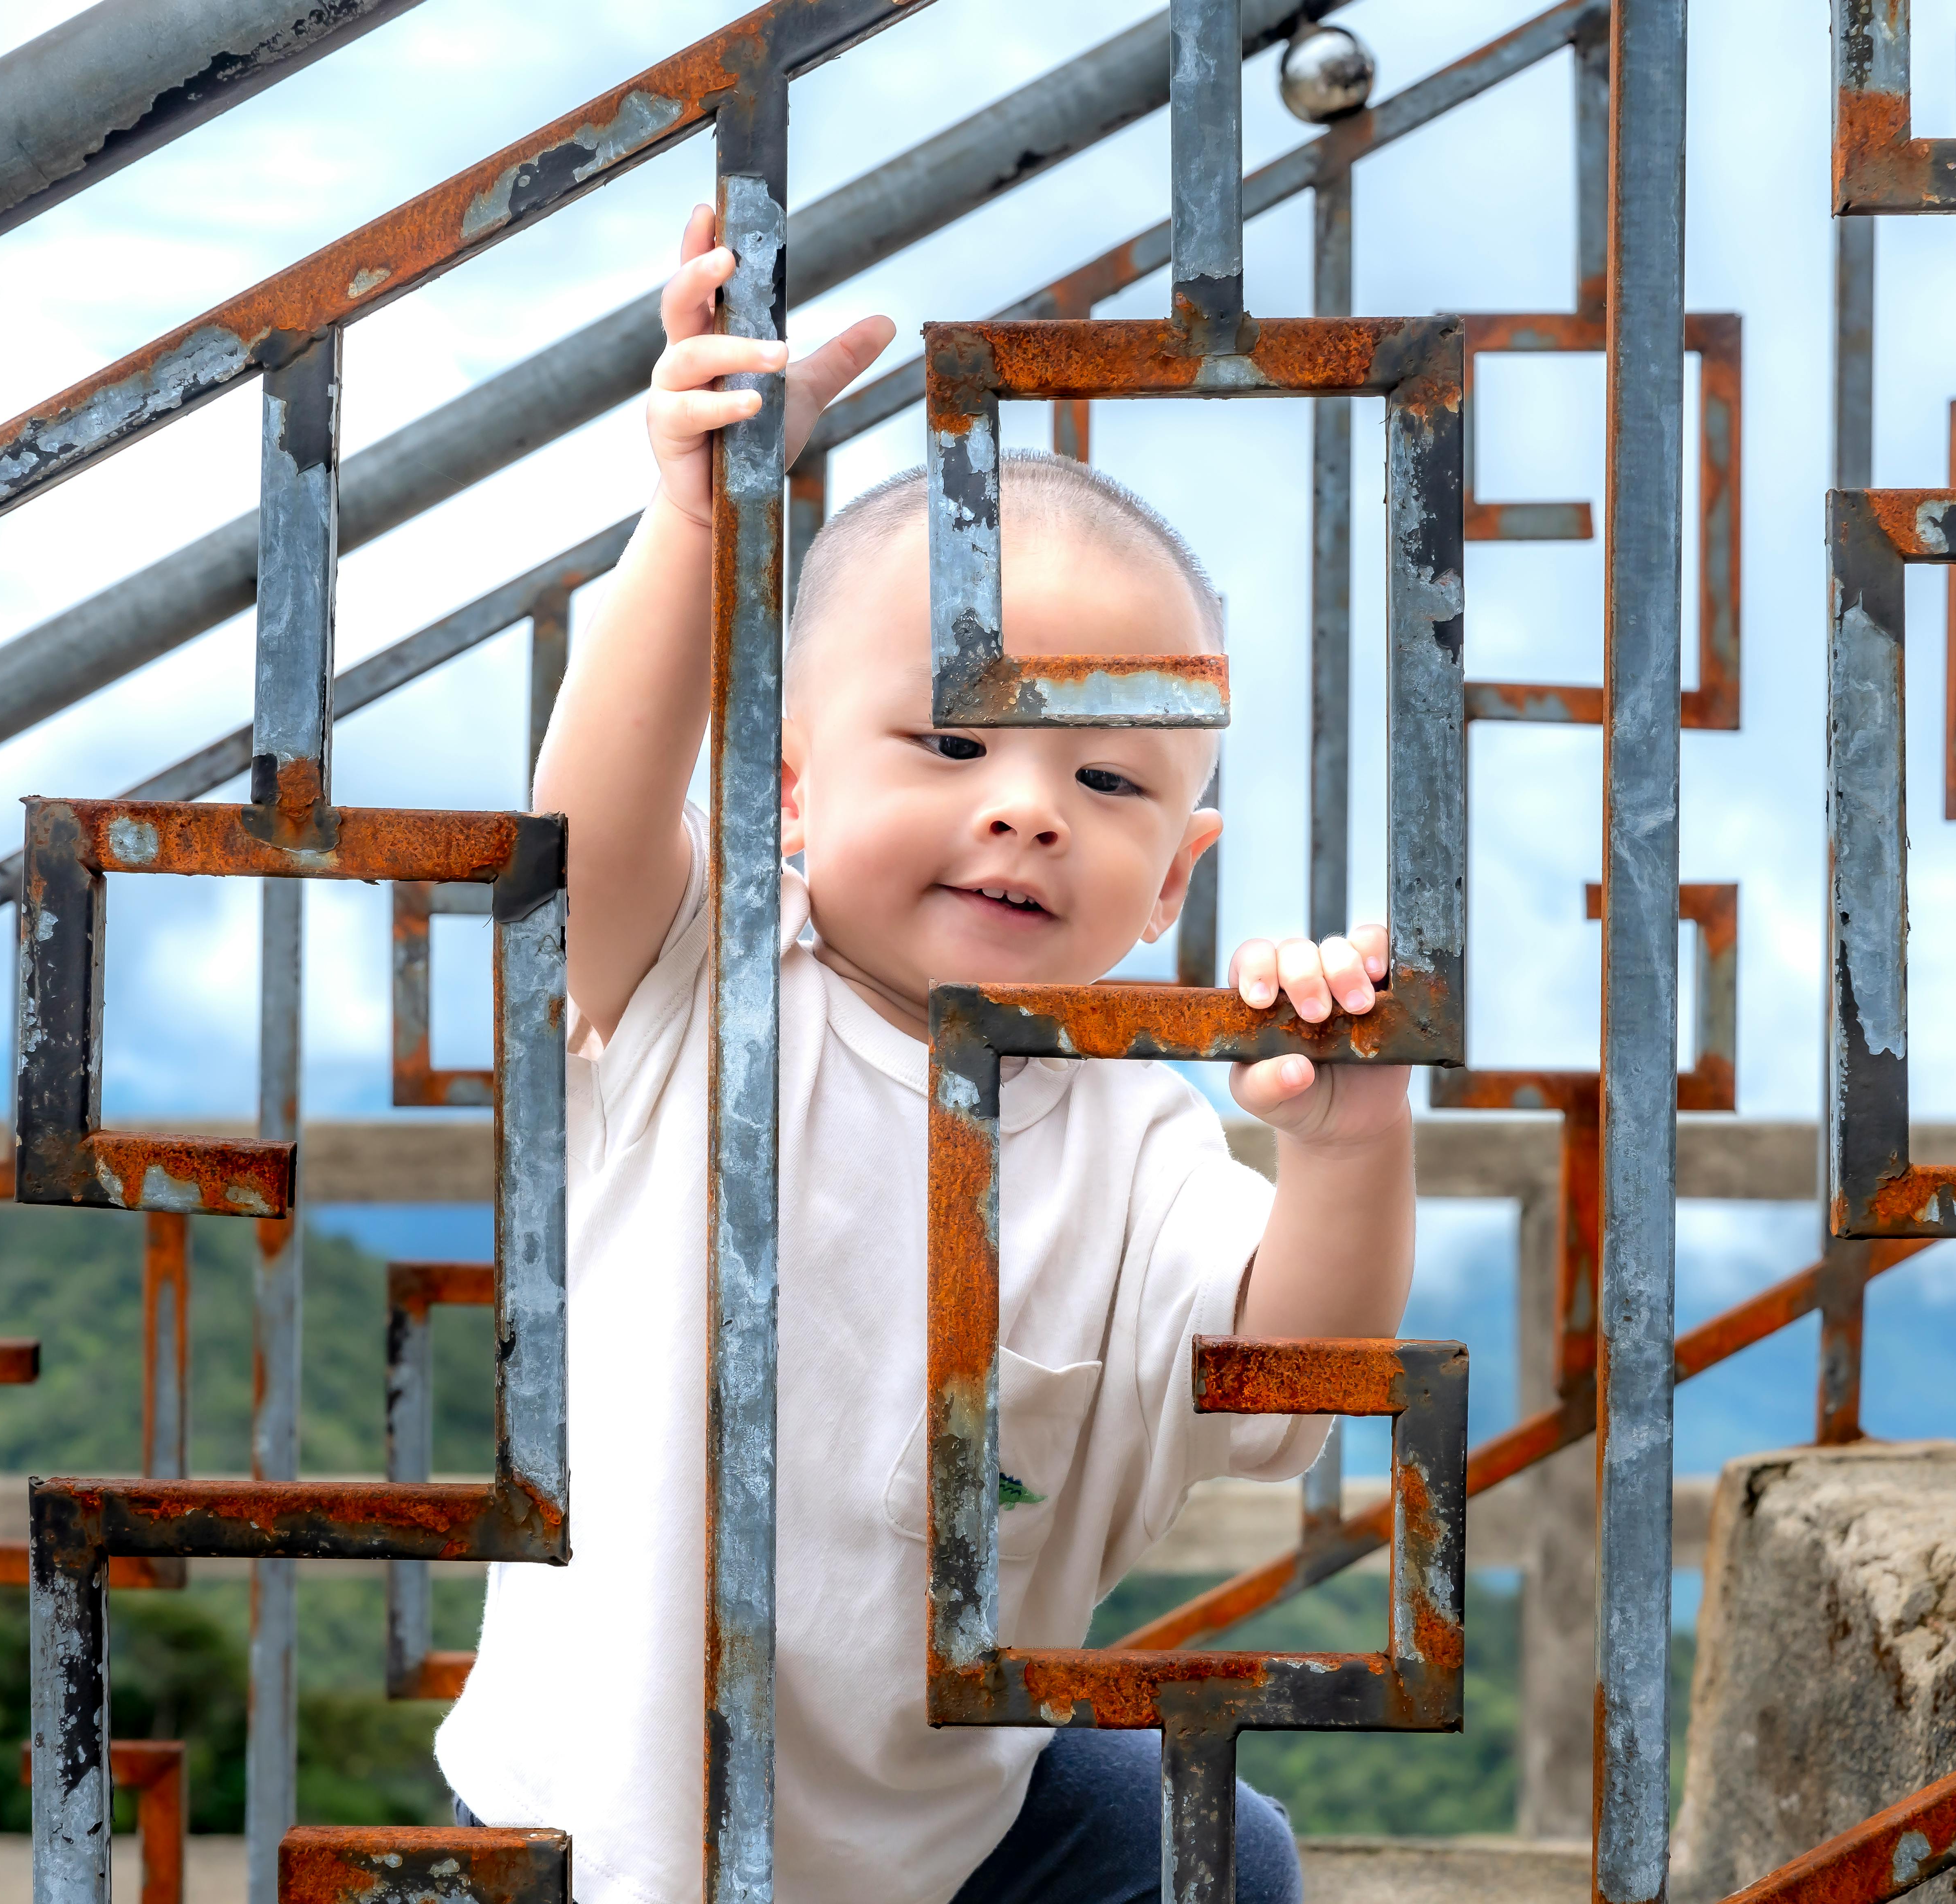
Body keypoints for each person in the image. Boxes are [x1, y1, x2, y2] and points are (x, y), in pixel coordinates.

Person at [434, 206, 1416, 1904]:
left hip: (942, 1839)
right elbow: (578, 852)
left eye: (1111, 784)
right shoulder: (704, 981)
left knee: (1212, 1850)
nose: (1029, 806)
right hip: (591, 1824)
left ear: (1176, 876)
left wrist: (1347, 1142)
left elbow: (1285, 1391)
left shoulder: (1138, 1135)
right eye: (954, 739)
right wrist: (690, 526)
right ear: (795, 781)